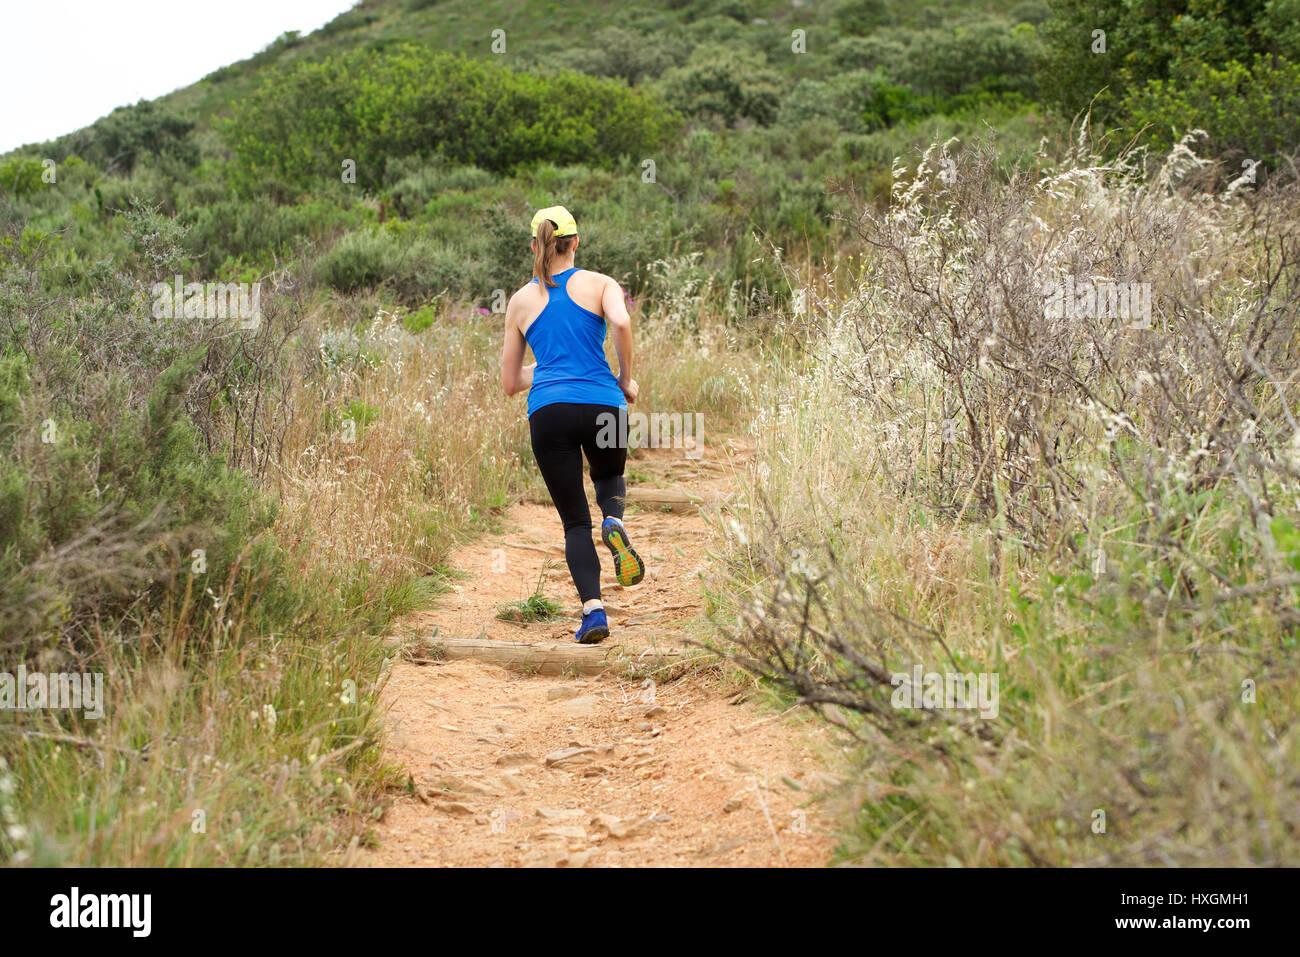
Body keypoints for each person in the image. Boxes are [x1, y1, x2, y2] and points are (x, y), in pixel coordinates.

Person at [500, 205, 644, 644]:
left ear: (534, 245)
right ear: (576, 242)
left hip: (550, 412)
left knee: (574, 524)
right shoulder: (600, 283)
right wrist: (623, 379)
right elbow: (620, 321)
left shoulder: (520, 300)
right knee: (610, 475)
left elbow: (510, 382)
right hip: (604, 403)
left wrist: (546, 372)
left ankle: (594, 613)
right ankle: (615, 520)